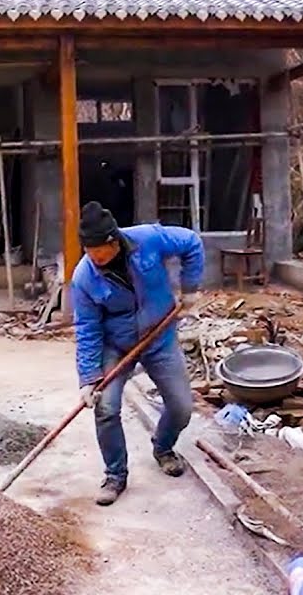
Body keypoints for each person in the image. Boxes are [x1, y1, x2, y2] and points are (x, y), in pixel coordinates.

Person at [71, 201, 205, 506]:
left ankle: (163, 446)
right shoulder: (84, 278)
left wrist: (190, 287)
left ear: (113, 240)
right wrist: (89, 378)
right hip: (117, 346)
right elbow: (87, 329)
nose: (94, 259)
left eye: (98, 252)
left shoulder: (148, 239)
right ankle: (115, 475)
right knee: (105, 408)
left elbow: (191, 243)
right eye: (88, 252)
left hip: (160, 336)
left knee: (182, 406)